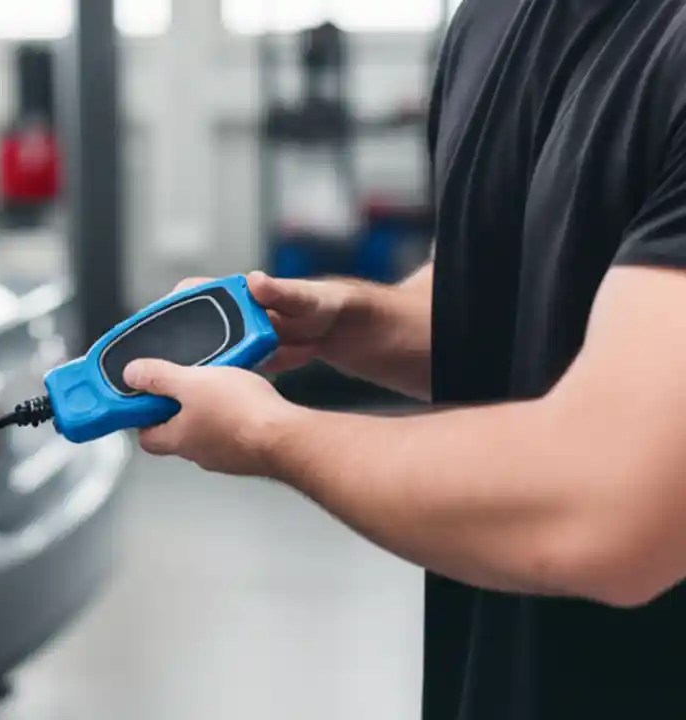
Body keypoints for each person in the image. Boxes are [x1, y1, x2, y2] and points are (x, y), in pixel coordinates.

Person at [126, 1, 686, 718]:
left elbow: (607, 506)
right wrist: (350, 321)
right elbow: (515, 312)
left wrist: (269, 435)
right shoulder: (491, 21)